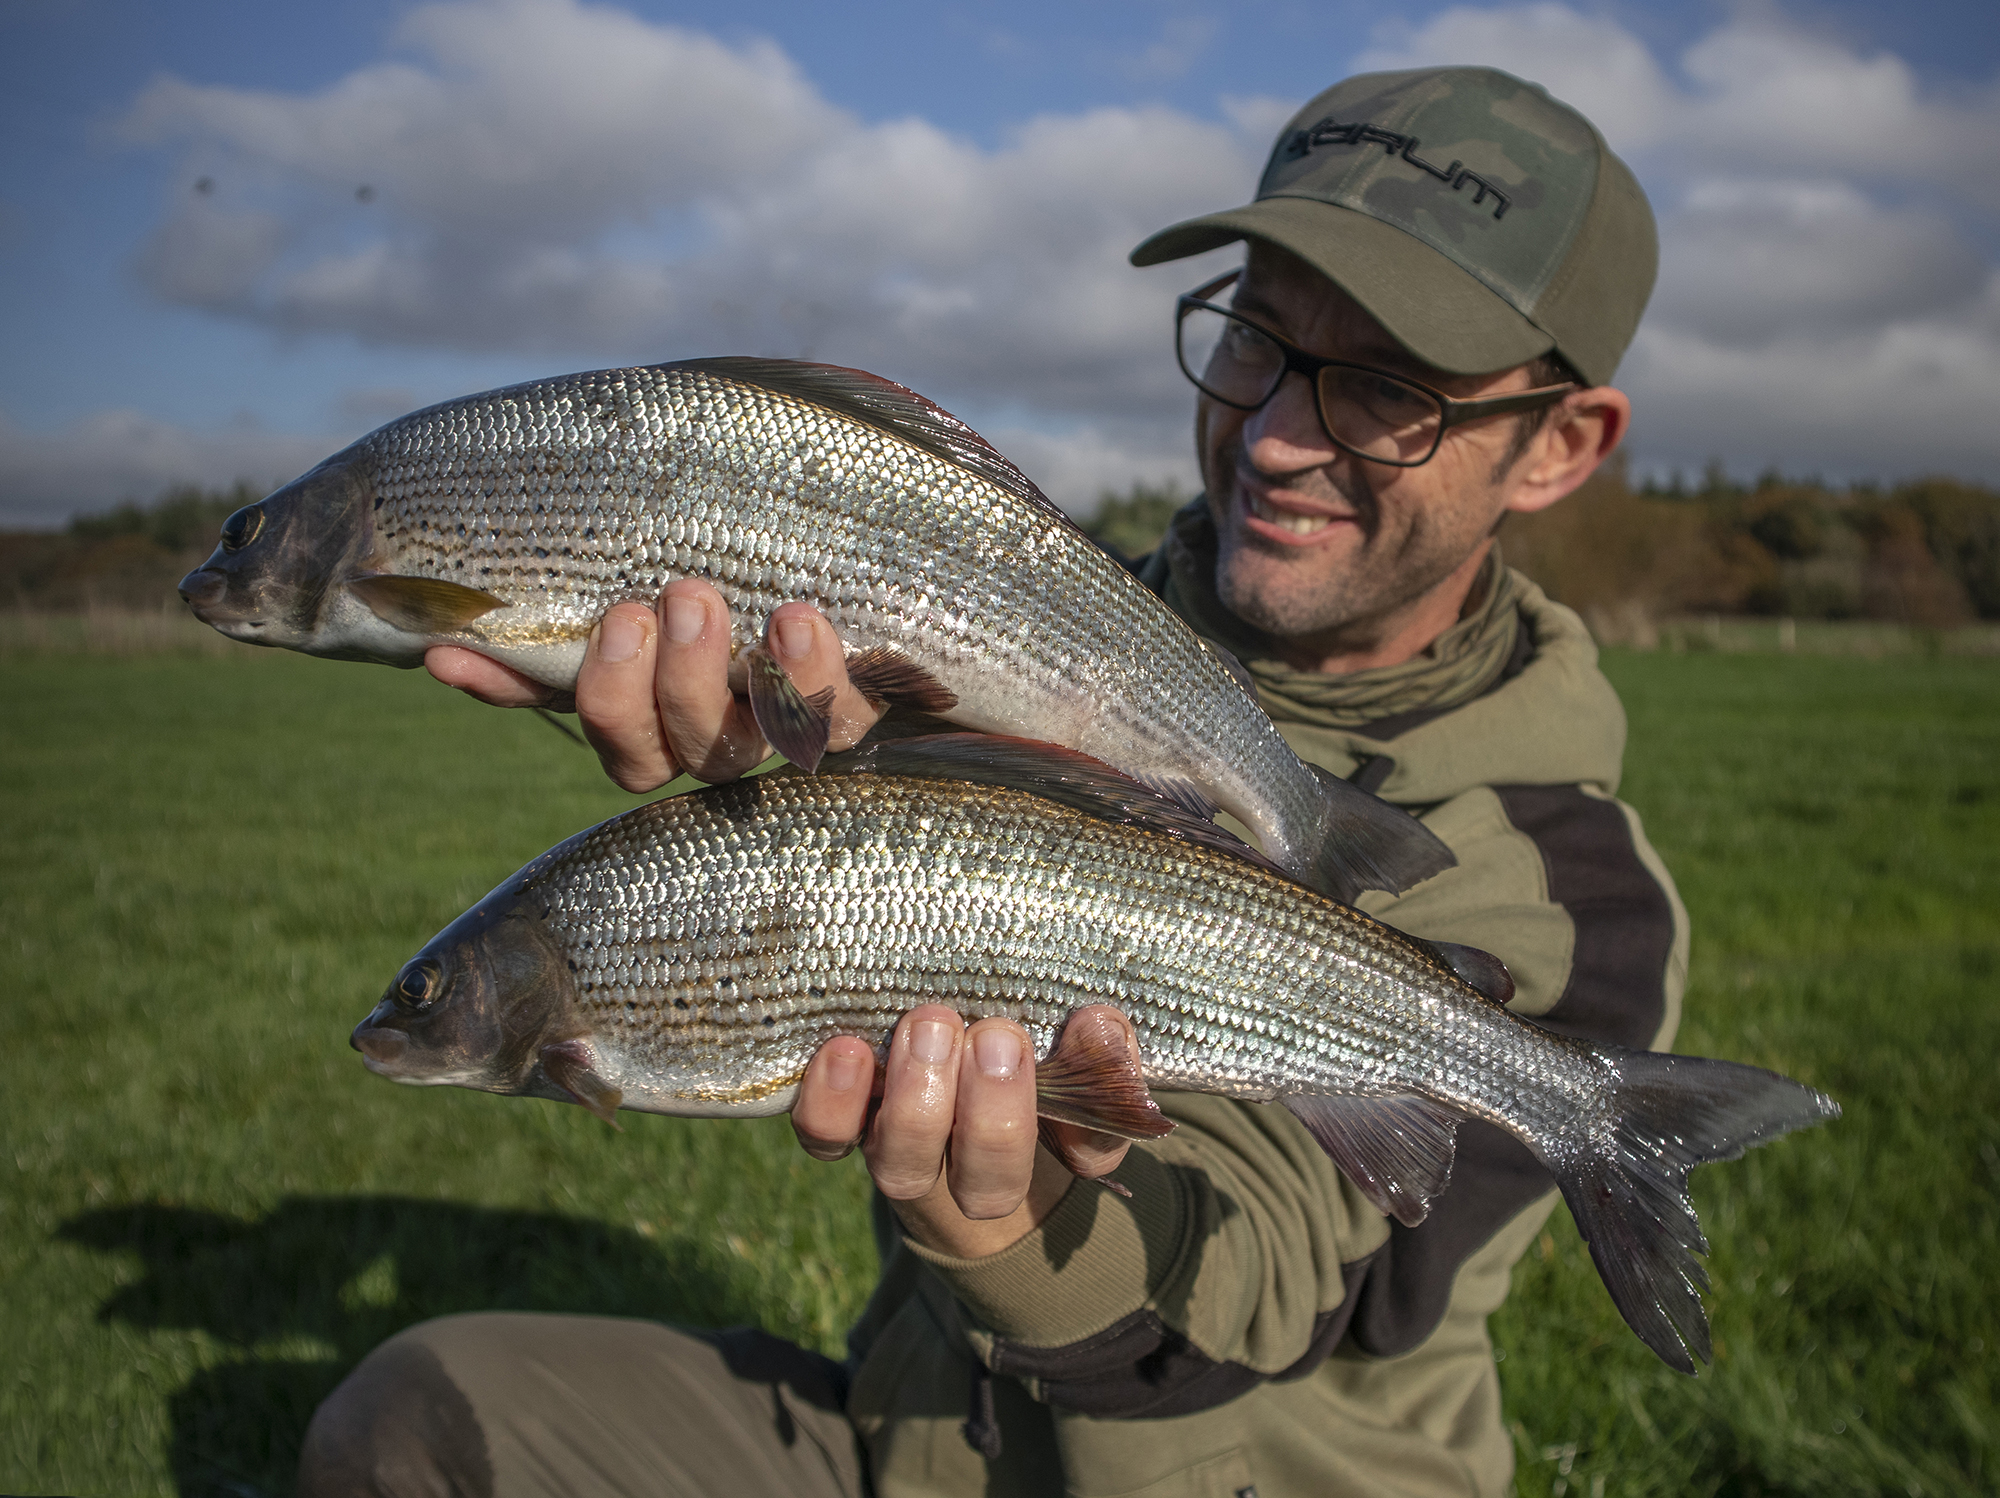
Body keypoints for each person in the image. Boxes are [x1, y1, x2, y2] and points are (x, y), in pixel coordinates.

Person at [300, 65, 1685, 1498]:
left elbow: (1275, 1275)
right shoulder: (1014, 617)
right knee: (410, 1423)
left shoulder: (1570, 883)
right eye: (1255, 337)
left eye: (1390, 391)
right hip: (906, 1451)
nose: (1276, 435)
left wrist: (1013, 1225)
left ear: (1563, 444)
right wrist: (784, 766)